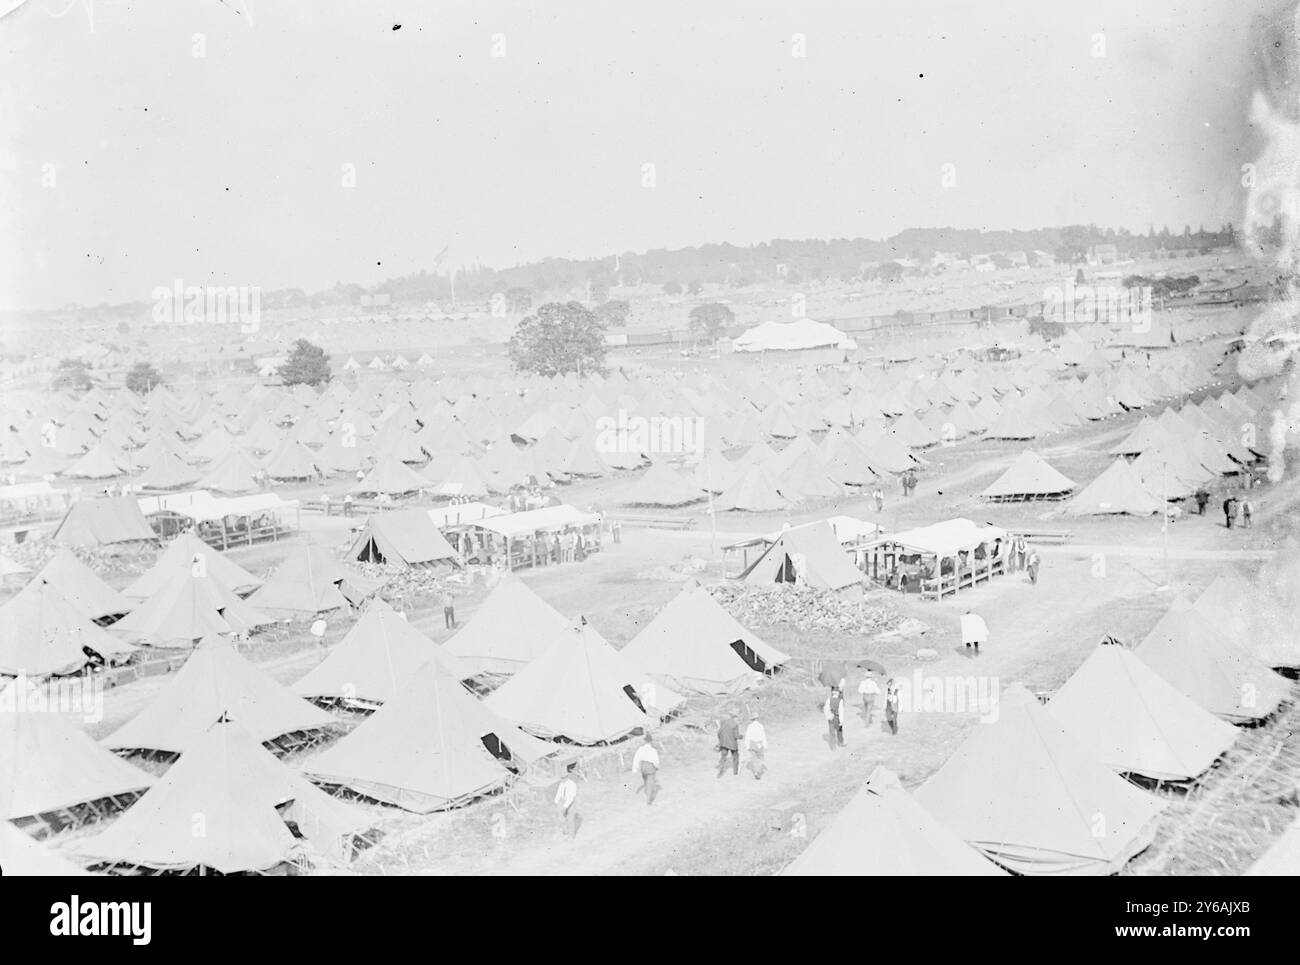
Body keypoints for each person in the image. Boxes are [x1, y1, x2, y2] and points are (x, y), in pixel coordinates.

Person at [631, 733, 660, 804]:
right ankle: (648, 799)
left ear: (645, 741)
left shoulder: (640, 749)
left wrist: (635, 769)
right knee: (650, 782)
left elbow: (636, 758)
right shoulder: (653, 750)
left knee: (645, 780)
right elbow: (656, 761)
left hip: (643, 766)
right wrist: (657, 767)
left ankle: (647, 792)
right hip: (650, 767)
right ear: (651, 742)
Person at [554, 763, 580, 838]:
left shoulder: (572, 785)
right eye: (561, 778)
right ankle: (563, 832)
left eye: (564, 778)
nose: (562, 779)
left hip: (570, 803)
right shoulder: (561, 784)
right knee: (561, 818)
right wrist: (556, 802)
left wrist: (565, 807)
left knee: (570, 819)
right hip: (563, 802)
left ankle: (571, 836)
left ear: (567, 777)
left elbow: (570, 798)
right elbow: (559, 794)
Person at [716, 712, 741, 777]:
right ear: (735, 718)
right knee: (735, 757)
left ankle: (719, 772)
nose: (738, 720)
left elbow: (718, 733)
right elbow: (736, 736)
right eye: (737, 719)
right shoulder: (735, 724)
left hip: (723, 744)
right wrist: (741, 736)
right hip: (732, 744)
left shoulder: (724, 723)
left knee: (723, 758)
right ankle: (735, 772)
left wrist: (720, 741)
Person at [744, 712, 767, 780]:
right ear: (757, 718)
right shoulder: (761, 726)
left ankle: (756, 772)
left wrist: (747, 745)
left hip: (752, 744)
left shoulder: (750, 726)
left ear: (752, 719)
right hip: (759, 744)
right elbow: (763, 736)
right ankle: (758, 772)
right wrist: (765, 745)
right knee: (761, 759)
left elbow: (747, 736)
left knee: (753, 759)